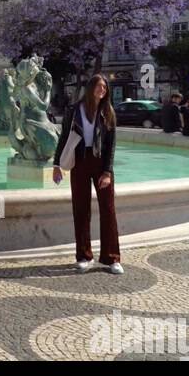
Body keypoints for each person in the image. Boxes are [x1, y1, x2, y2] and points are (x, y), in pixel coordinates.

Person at [52, 74, 123, 275]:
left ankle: (112, 258)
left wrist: (107, 171)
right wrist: (57, 164)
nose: (103, 90)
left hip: (101, 163)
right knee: (81, 209)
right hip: (80, 162)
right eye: (99, 86)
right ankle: (84, 256)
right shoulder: (74, 111)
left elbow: (111, 145)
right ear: (91, 88)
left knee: (108, 210)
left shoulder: (107, 111)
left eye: (105, 87)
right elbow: (64, 138)